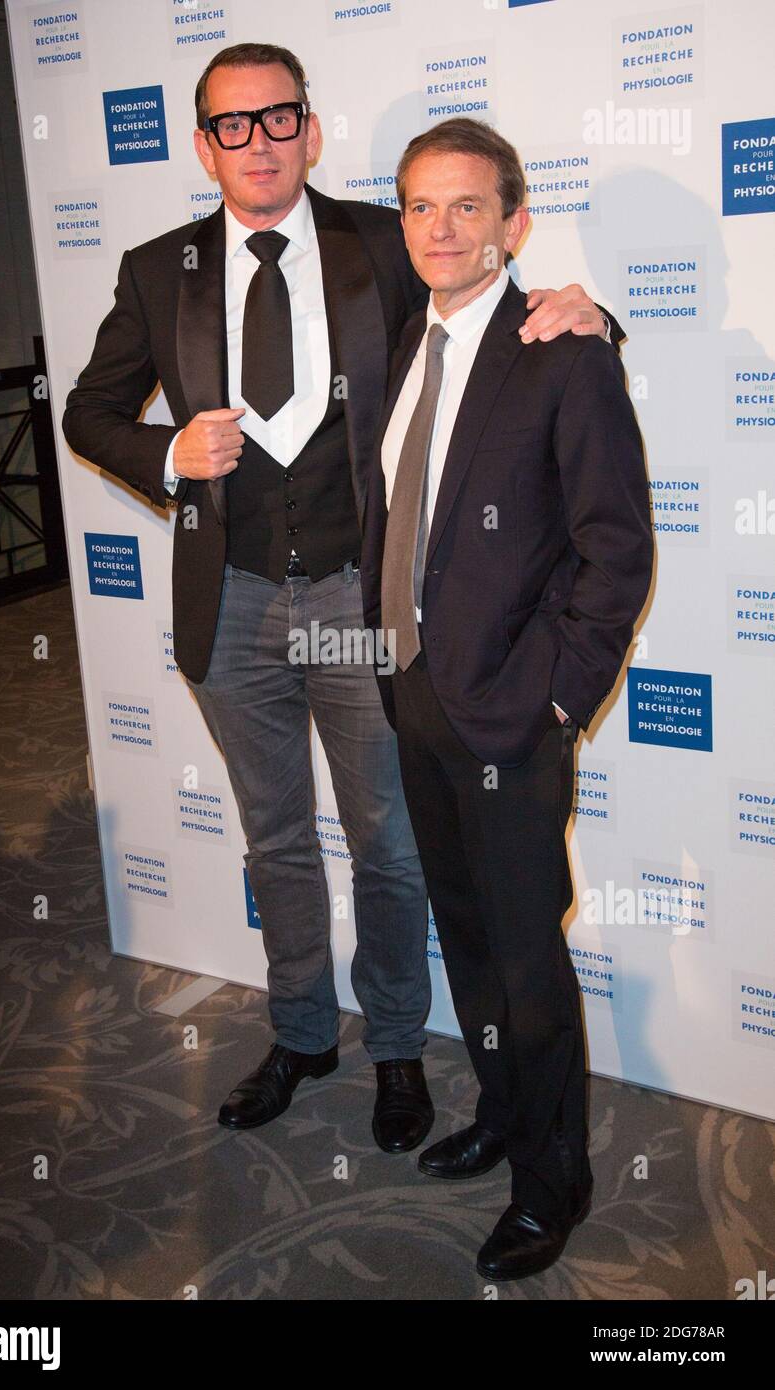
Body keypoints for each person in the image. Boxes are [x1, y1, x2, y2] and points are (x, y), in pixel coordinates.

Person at [62, 43, 621, 1156]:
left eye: (279, 120)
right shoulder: (154, 267)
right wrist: (169, 450)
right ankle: (303, 1031)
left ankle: (399, 1050)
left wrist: (589, 315)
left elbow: (494, 330)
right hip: (225, 601)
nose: (258, 142)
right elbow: (86, 412)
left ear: (309, 132)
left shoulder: (384, 239)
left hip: (365, 600)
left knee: (390, 843)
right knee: (274, 838)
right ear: (203, 144)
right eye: (232, 124)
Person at [360, 117, 653, 1278]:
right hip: (415, 699)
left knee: (528, 963)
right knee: (471, 941)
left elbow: (613, 551)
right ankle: (498, 1112)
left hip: (510, 719)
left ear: (513, 222)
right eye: (420, 208)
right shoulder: (398, 342)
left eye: (466, 207)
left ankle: (553, 1180)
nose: (440, 229)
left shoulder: (561, 352)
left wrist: (552, 702)